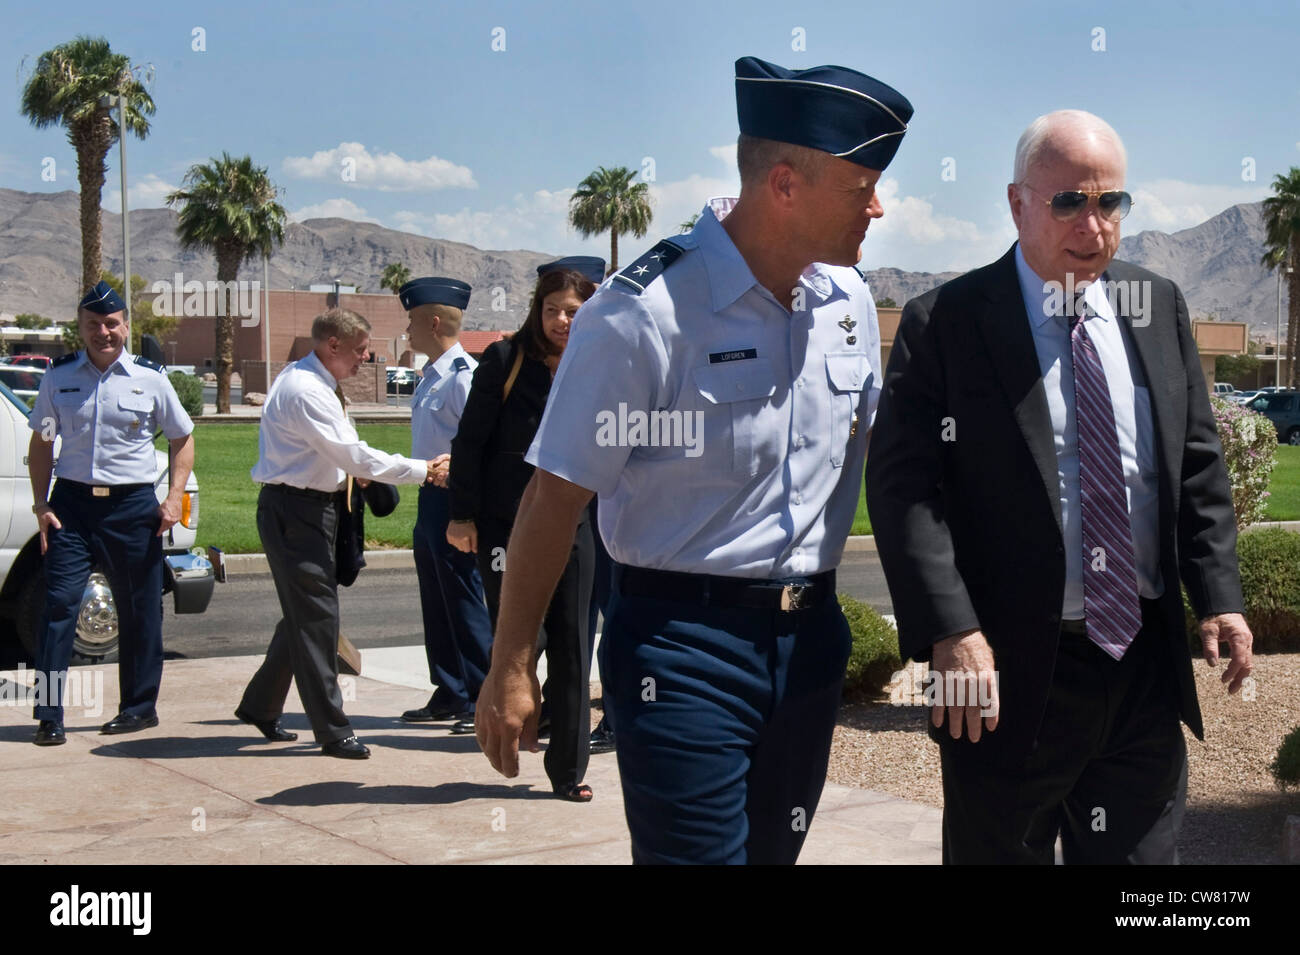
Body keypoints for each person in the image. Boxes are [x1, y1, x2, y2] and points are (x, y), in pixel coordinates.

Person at [472, 55, 911, 863]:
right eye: (861, 188)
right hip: (681, 646)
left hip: (810, 643)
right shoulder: (643, 313)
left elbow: (884, 458)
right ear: (785, 184)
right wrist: (509, 664)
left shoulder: (847, 301)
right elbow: (552, 497)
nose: (878, 208)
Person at [865, 110, 1254, 864]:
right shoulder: (944, 323)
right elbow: (904, 490)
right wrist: (951, 632)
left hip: (1140, 665)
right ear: (1017, 203)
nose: (1095, 222)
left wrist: (1220, 596)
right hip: (1002, 675)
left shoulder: (1158, 306)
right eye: (1069, 201)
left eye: (1112, 202)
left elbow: (1196, 464)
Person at [236, 307, 439, 759]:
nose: (366, 358)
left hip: (311, 509)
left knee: (304, 615)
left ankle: (259, 706)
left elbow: (348, 456)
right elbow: (355, 456)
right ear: (332, 345)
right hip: (296, 512)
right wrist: (423, 470)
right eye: (361, 350)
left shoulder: (312, 380)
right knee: (318, 620)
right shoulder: (306, 389)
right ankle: (332, 729)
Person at [447, 262, 598, 800]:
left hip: (580, 522)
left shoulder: (600, 363)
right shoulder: (506, 360)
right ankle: (511, 727)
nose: (561, 320)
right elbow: (469, 442)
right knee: (520, 640)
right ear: (537, 310)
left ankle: (568, 771)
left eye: (573, 312)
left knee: (574, 640)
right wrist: (462, 515)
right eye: (552, 309)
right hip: (506, 524)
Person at [29, 280, 195, 745]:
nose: (103, 332)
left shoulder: (151, 378)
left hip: (132, 507)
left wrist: (173, 498)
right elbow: (42, 443)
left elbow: (183, 438)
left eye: (111, 323)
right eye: (93, 325)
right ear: (80, 329)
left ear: (126, 325)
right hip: (72, 508)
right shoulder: (57, 376)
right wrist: (41, 504)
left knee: (141, 610)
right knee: (59, 606)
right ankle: (49, 715)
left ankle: (139, 708)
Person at [395, 277, 494, 726]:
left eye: (411, 320)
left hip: (454, 499)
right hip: (428, 496)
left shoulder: (462, 378)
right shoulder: (432, 376)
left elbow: (484, 441)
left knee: (464, 598)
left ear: (433, 322)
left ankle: (482, 695)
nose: (407, 330)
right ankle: (450, 689)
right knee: (435, 597)